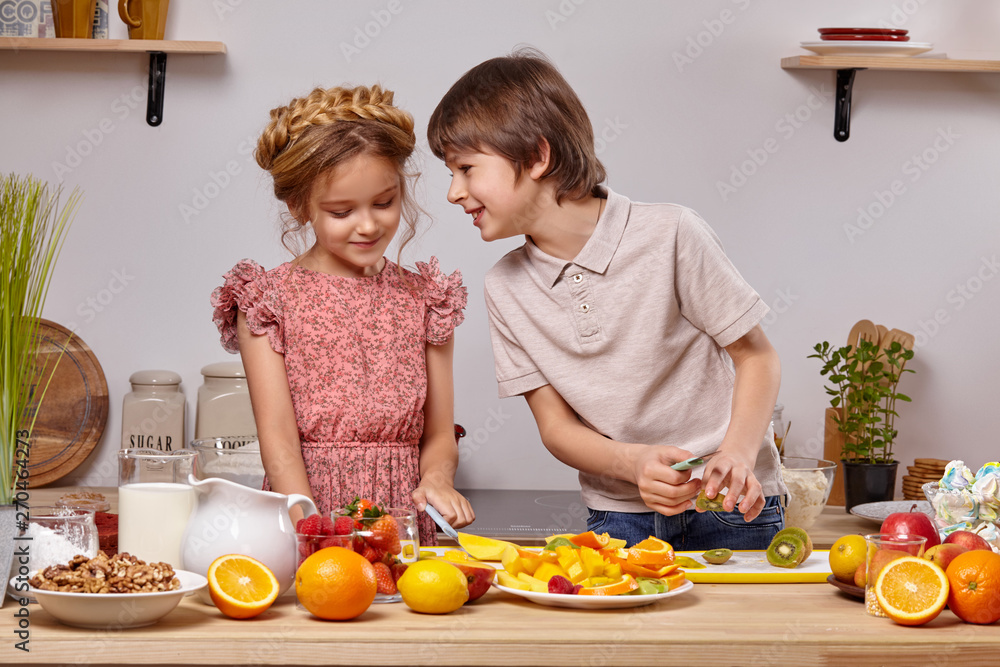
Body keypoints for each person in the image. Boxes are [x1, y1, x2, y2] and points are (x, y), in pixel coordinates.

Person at [426, 50, 785, 550]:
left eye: (465, 168)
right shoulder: (504, 286)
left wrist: (739, 454)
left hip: (730, 508)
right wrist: (632, 464)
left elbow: (757, 357)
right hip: (619, 518)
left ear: (536, 157)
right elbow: (555, 427)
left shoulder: (671, 233)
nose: (453, 192)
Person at [211, 84, 474, 545]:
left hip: (404, 526)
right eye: (341, 211)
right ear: (299, 206)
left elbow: (438, 435)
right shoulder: (267, 300)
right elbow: (280, 449)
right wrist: (315, 533)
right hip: (308, 517)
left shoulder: (426, 298)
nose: (369, 225)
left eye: (384, 202)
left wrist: (437, 478)